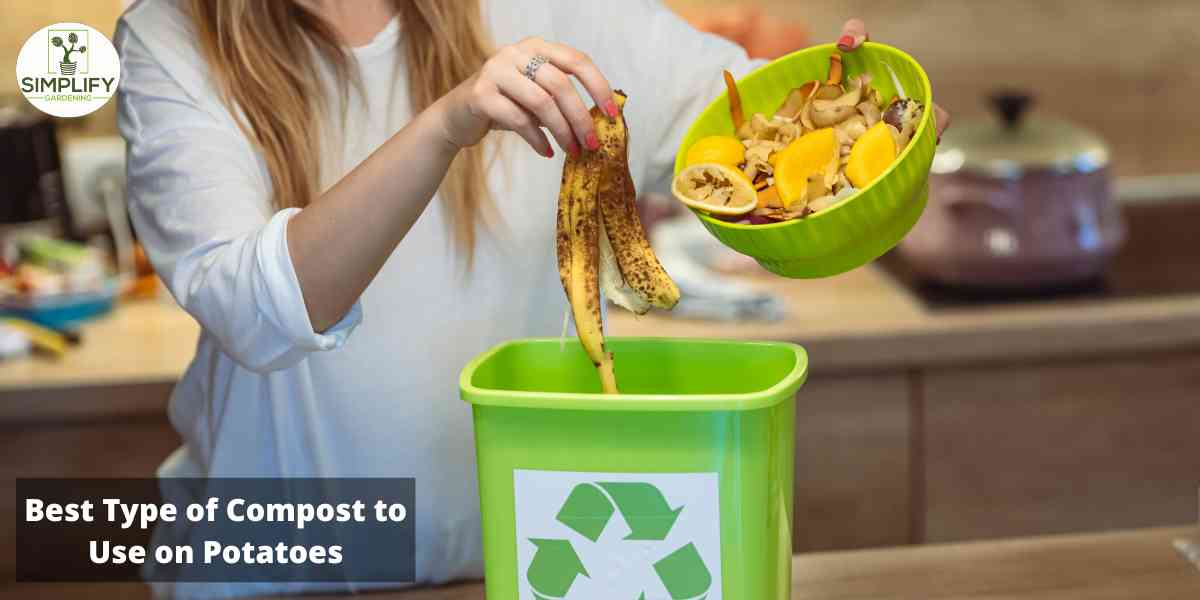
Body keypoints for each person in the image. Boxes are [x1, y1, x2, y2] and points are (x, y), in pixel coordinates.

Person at [116, 0, 948, 596]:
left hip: (522, 565)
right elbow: (252, 309)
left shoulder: (560, 11)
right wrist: (445, 125)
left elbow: (749, 149)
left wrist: (869, 144)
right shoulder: (169, 33)